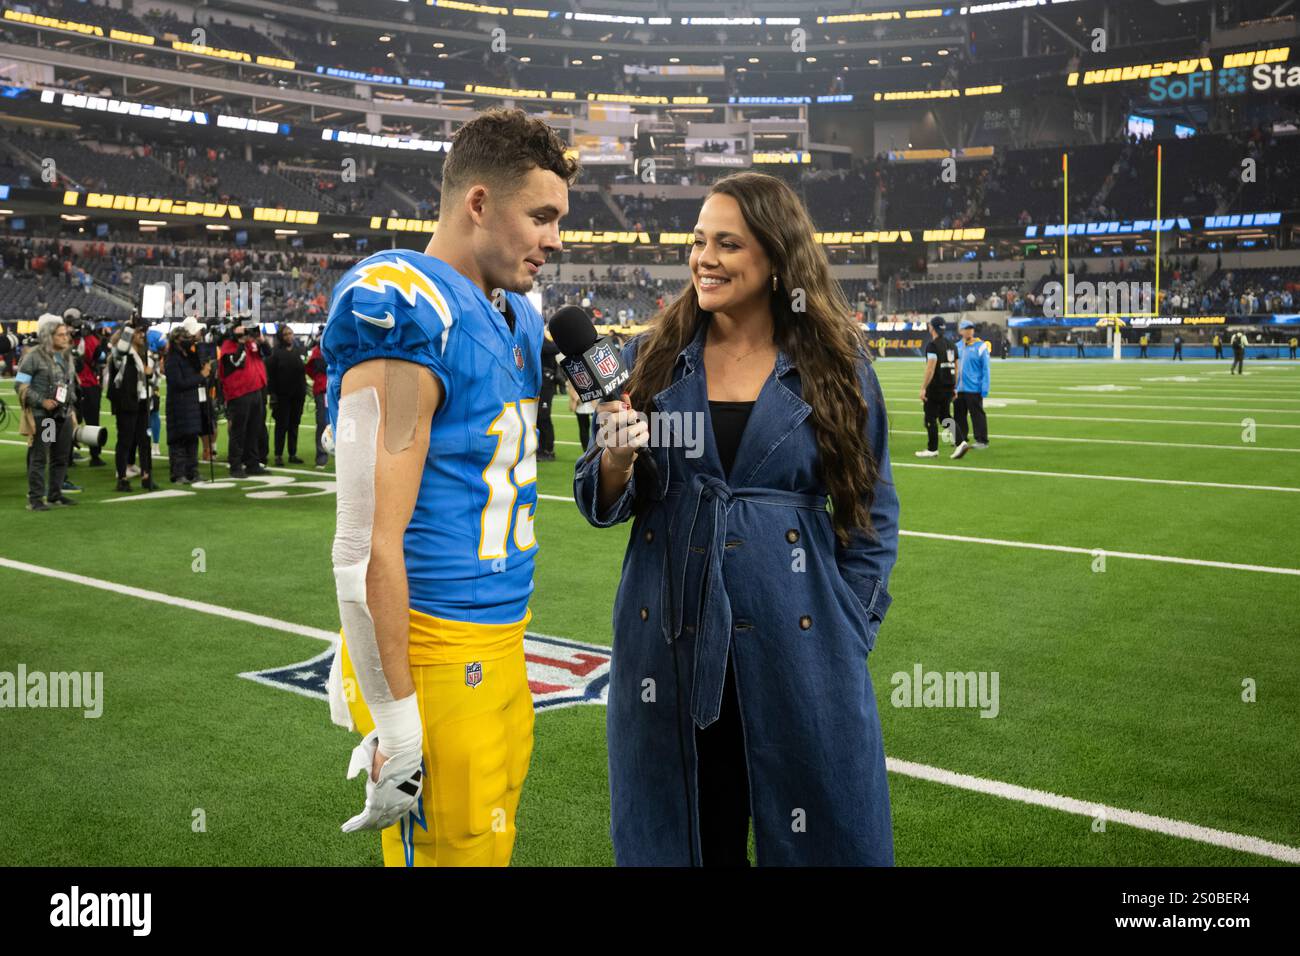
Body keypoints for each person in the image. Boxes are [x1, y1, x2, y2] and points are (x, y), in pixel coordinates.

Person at [574, 171, 899, 866]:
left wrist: (848, 628)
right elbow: (600, 500)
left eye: (727, 243)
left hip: (799, 644)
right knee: (684, 837)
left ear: (777, 259)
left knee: (817, 835)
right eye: (698, 242)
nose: (704, 259)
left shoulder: (838, 368)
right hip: (669, 643)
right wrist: (615, 460)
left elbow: (871, 517)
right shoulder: (651, 358)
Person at [323, 107, 574, 867]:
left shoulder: (515, 319)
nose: (555, 240)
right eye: (542, 217)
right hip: (436, 647)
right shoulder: (405, 304)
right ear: (477, 204)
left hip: (504, 640)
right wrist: (395, 711)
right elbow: (365, 541)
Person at [15, 314, 79, 510]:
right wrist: (42, 401)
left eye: (65, 334)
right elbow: (20, 385)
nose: (65, 338)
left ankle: (55, 494)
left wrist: (72, 410)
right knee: (41, 457)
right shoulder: (33, 356)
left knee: (61, 457)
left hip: (64, 415)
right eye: (60, 335)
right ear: (48, 336)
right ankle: (35, 499)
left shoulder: (67, 355)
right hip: (46, 417)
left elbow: (69, 385)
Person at [106, 324, 158, 492]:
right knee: (125, 441)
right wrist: (130, 326)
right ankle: (122, 478)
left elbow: (153, 379)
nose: (142, 335)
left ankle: (146, 476)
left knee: (144, 440)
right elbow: (121, 348)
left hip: (142, 401)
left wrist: (150, 374)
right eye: (138, 332)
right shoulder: (121, 354)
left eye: (143, 332)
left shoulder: (144, 354)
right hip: (126, 402)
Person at [217, 321, 268, 478]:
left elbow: (268, 353)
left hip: (255, 390)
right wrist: (239, 342)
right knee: (239, 431)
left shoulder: (251, 344)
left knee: (254, 429)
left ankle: (252, 462)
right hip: (239, 393)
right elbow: (237, 362)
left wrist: (261, 340)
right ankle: (235, 465)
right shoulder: (228, 346)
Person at [164, 318, 210, 484]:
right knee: (178, 440)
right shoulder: (172, 359)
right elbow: (178, 383)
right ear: (178, 340)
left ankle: (192, 471)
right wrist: (200, 376)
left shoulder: (189, 356)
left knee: (192, 438)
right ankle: (178, 473)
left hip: (191, 402)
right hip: (178, 404)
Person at [68, 309, 107, 468]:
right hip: (89, 385)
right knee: (93, 421)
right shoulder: (91, 339)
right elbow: (101, 358)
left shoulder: (65, 339)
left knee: (70, 422)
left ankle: (67, 456)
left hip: (72, 385)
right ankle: (95, 456)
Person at [267, 324, 308, 466]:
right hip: (282, 396)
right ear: (280, 337)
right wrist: (272, 394)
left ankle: (292, 453)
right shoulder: (275, 353)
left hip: (298, 395)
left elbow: (303, 372)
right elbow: (270, 376)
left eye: (290, 333)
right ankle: (278, 455)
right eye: (286, 334)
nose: (289, 336)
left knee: (294, 425)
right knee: (281, 426)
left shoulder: (299, 350)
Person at [951, 318, 990, 459]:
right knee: (959, 415)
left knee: (977, 414)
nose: (969, 331)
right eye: (966, 328)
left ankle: (982, 440)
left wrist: (985, 387)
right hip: (959, 388)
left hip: (974, 388)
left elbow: (986, 369)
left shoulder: (981, 346)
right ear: (960, 331)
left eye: (971, 328)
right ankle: (961, 440)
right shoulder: (956, 346)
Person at [917, 316, 956, 458]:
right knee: (945, 416)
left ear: (932, 327)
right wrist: (955, 386)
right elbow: (956, 367)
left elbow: (930, 369)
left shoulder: (932, 345)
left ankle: (932, 449)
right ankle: (960, 441)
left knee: (930, 418)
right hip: (948, 387)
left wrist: (923, 387)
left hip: (935, 388)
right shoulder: (951, 344)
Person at [306, 338, 329, 467]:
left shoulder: (318, 350)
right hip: (324, 389)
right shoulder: (318, 350)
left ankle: (323, 455)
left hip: (331, 388)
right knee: (322, 422)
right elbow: (309, 368)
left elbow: (309, 369)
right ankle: (321, 455)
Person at [537, 327, 558, 461]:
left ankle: (547, 450)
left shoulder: (543, 343)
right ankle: (542, 448)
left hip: (546, 384)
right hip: (541, 384)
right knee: (540, 417)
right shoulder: (541, 342)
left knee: (544, 417)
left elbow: (555, 348)